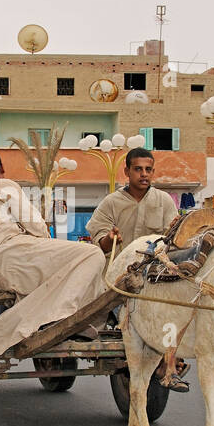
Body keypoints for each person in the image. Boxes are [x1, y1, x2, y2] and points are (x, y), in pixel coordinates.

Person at [0, 148, 108, 359]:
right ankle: (64, 316)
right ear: (2, 169)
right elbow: (34, 224)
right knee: (93, 255)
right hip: (20, 254)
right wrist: (46, 249)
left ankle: (58, 315)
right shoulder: (5, 186)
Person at [86, 147, 189, 392]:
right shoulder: (111, 203)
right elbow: (99, 240)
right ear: (127, 171)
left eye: (148, 169)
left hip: (156, 277)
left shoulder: (164, 201)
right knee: (132, 312)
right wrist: (110, 238)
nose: (144, 174)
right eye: (138, 169)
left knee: (175, 309)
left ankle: (170, 359)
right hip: (119, 279)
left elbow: (174, 241)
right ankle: (167, 361)